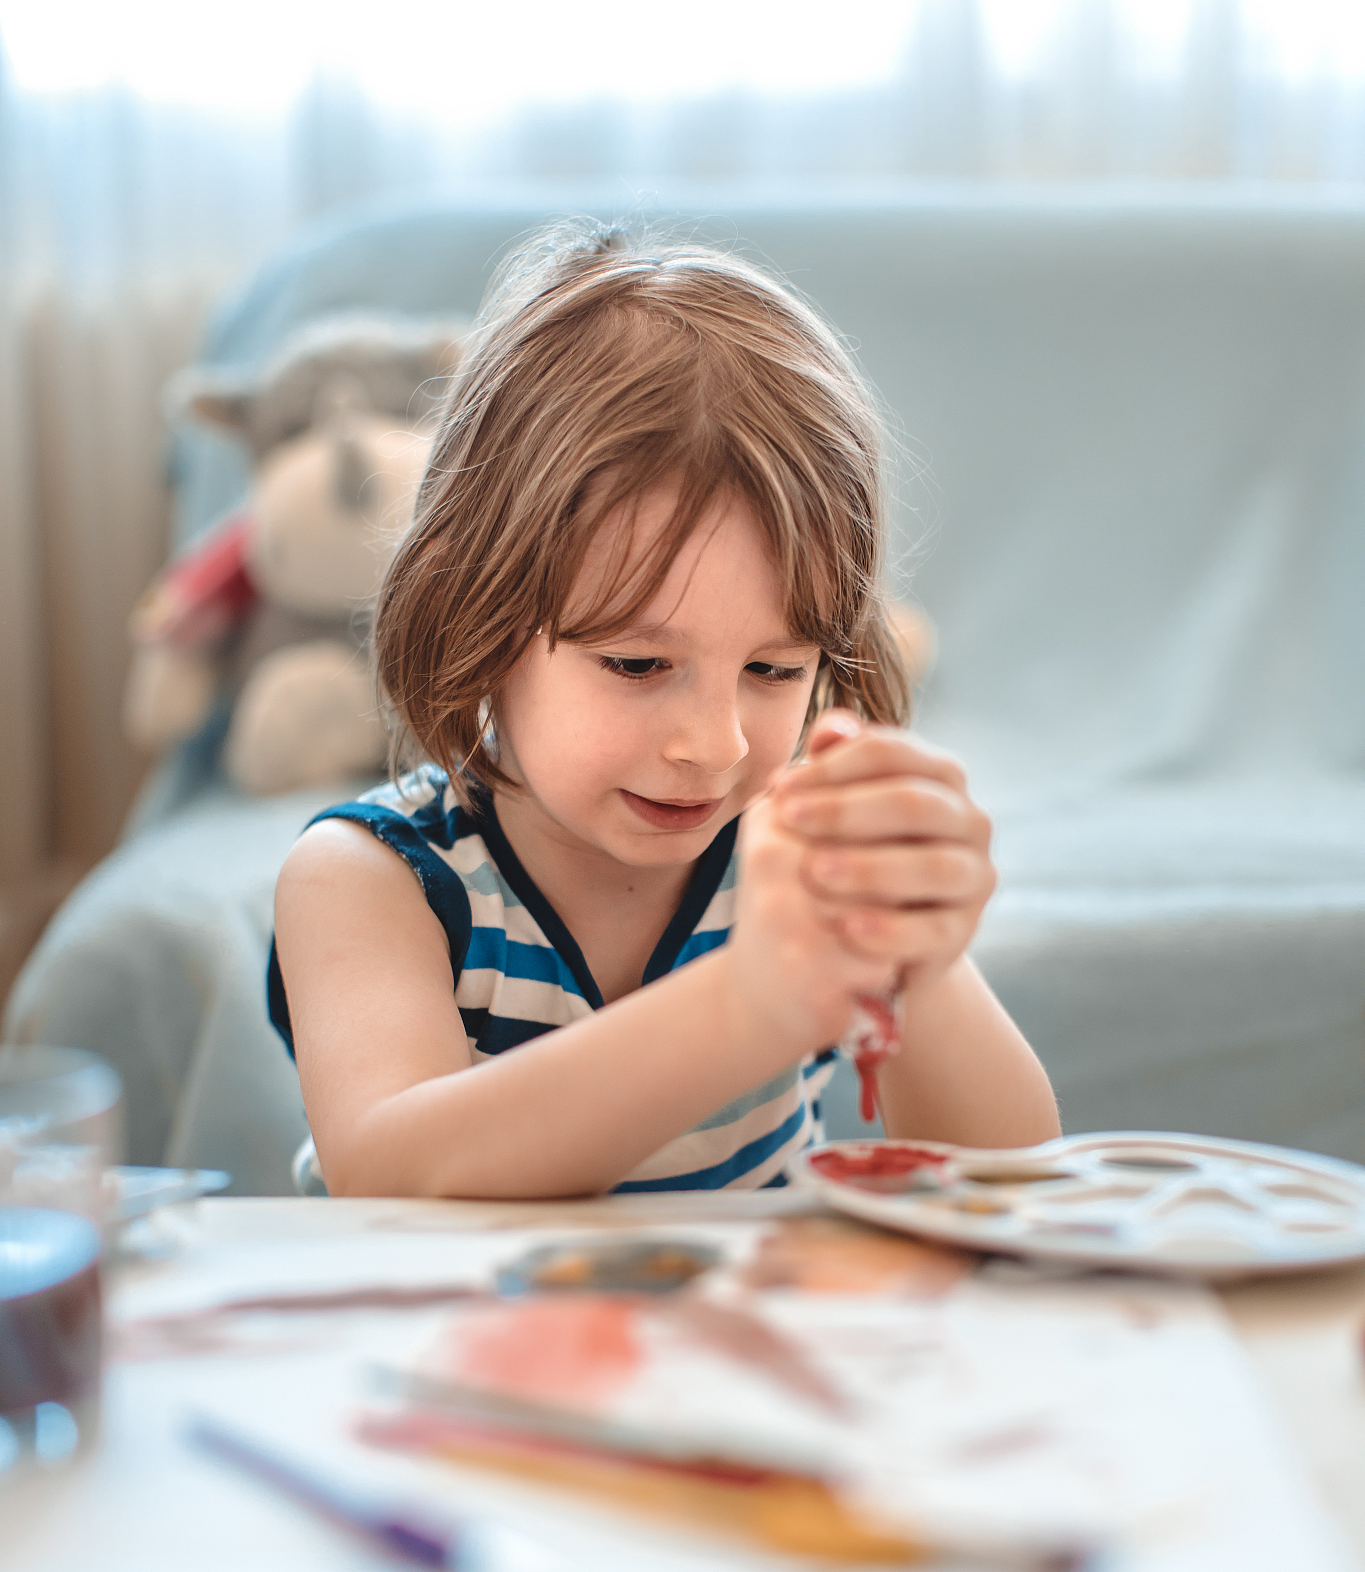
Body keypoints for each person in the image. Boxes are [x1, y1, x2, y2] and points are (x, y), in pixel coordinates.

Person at [269, 224, 1059, 1198]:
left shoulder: (787, 867)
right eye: (639, 662)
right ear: (472, 603)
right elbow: (391, 1173)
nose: (716, 745)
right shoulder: (374, 880)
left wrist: (925, 963)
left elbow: (1008, 1180)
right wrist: (748, 1006)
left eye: (774, 668)